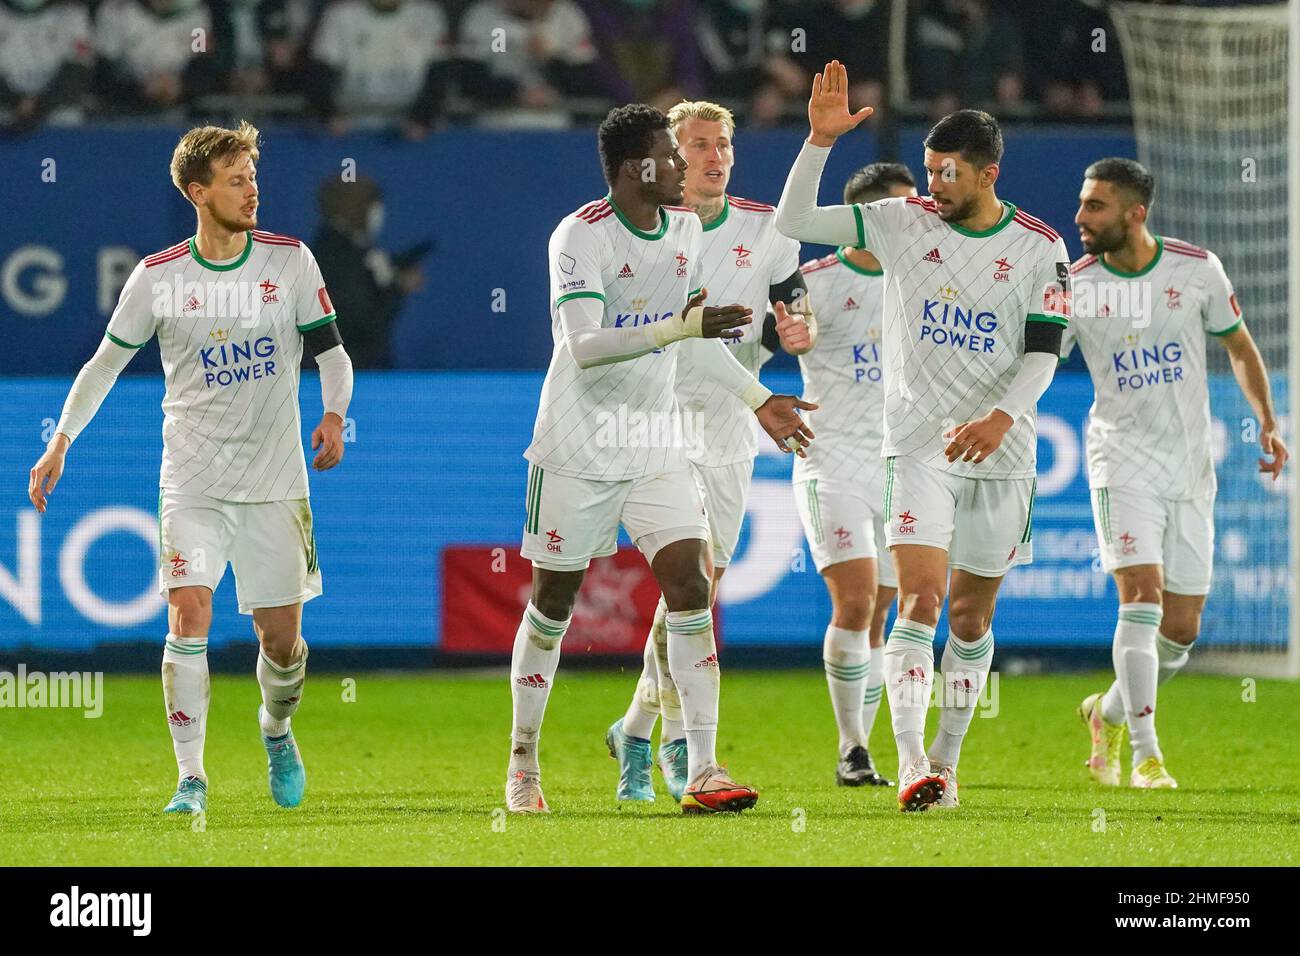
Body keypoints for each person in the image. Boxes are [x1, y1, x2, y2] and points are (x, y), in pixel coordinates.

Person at [28, 121, 355, 816]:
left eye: (254, 177)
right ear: (197, 192)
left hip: (275, 483)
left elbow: (332, 353)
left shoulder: (290, 262)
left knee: (283, 643)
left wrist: (332, 414)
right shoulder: (158, 279)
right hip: (193, 481)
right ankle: (191, 779)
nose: (253, 190)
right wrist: (61, 441)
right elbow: (103, 366)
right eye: (237, 180)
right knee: (187, 613)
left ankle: (276, 730)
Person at [775, 61, 1070, 811]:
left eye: (948, 173)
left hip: (1002, 450)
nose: (932, 185)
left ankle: (946, 757)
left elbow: (1042, 352)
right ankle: (909, 764)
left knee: (972, 618)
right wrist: (817, 143)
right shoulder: (902, 222)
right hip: (915, 445)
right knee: (919, 602)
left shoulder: (1041, 249)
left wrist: (1002, 416)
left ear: (988, 173)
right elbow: (795, 223)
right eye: (930, 170)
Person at [507, 103, 816, 815]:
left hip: (656, 443)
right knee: (552, 606)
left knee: (691, 585)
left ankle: (703, 764)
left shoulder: (682, 232)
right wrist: (680, 325)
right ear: (634, 168)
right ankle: (523, 763)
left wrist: (758, 397)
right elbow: (583, 346)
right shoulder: (579, 236)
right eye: (672, 156)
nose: (684, 168)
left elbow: (696, 338)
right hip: (578, 444)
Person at [603, 99, 811, 803]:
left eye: (723, 143)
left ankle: (635, 727)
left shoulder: (767, 230)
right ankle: (691, 757)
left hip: (726, 430)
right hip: (655, 426)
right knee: (685, 586)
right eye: (697, 144)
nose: (714, 156)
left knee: (693, 595)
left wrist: (798, 329)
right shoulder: (650, 231)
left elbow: (792, 307)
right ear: (669, 154)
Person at [1066, 157, 1288, 788]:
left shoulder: (1196, 269)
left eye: (1096, 206)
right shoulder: (1075, 284)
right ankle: (1145, 755)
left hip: (1190, 466)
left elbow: (1239, 347)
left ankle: (1104, 710)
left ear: (1136, 213)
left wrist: (1267, 421)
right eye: (1083, 204)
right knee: (1140, 598)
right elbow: (1031, 357)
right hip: (1120, 461)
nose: (1080, 216)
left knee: (1182, 631)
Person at [792, 162, 918, 787]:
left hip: (900, 464)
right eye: (903, 208)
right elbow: (780, 336)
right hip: (831, 460)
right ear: (868, 217)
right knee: (857, 600)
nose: (916, 217)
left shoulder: (920, 279)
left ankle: (862, 748)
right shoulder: (813, 280)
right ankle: (852, 748)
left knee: (881, 615)